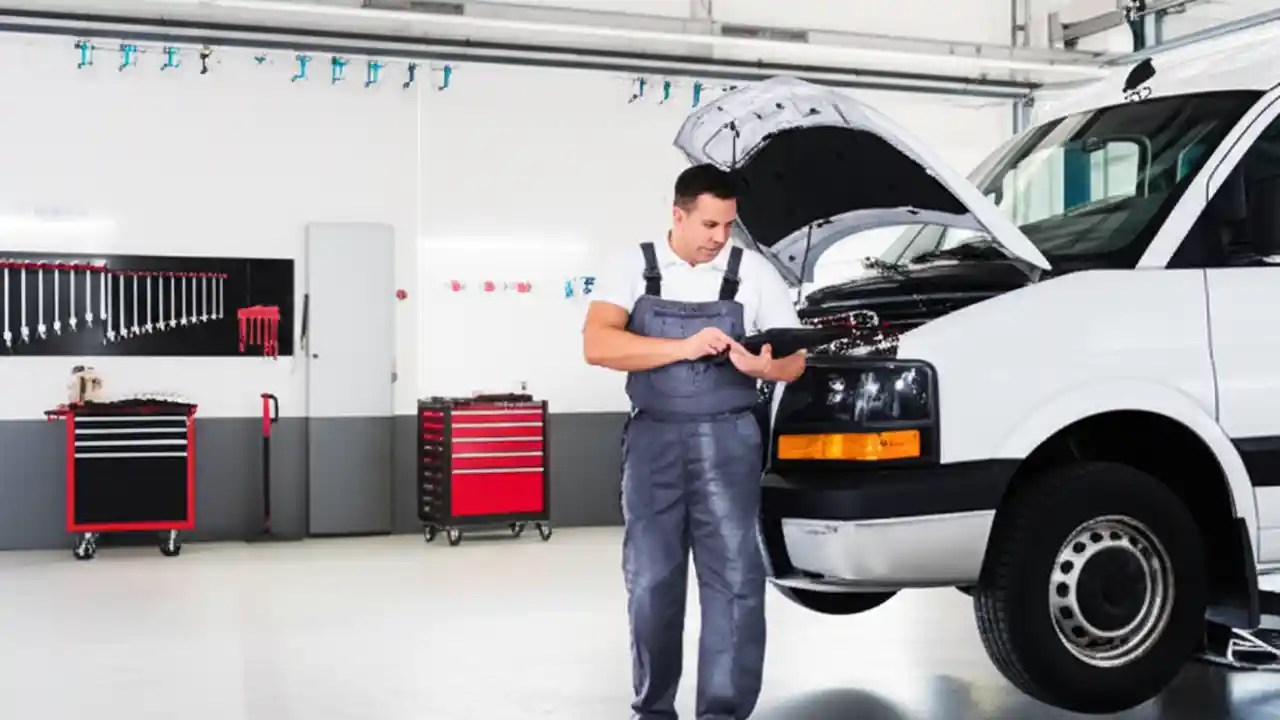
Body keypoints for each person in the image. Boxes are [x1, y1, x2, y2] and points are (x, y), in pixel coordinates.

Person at [582, 163, 807, 720]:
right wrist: (683, 348)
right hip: (654, 440)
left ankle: (723, 713)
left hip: (730, 440)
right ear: (677, 215)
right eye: (708, 224)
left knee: (735, 582)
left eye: (728, 226)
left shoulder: (753, 272)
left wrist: (762, 364)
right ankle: (652, 708)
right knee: (652, 582)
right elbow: (598, 344)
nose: (718, 237)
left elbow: (795, 361)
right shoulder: (631, 266)